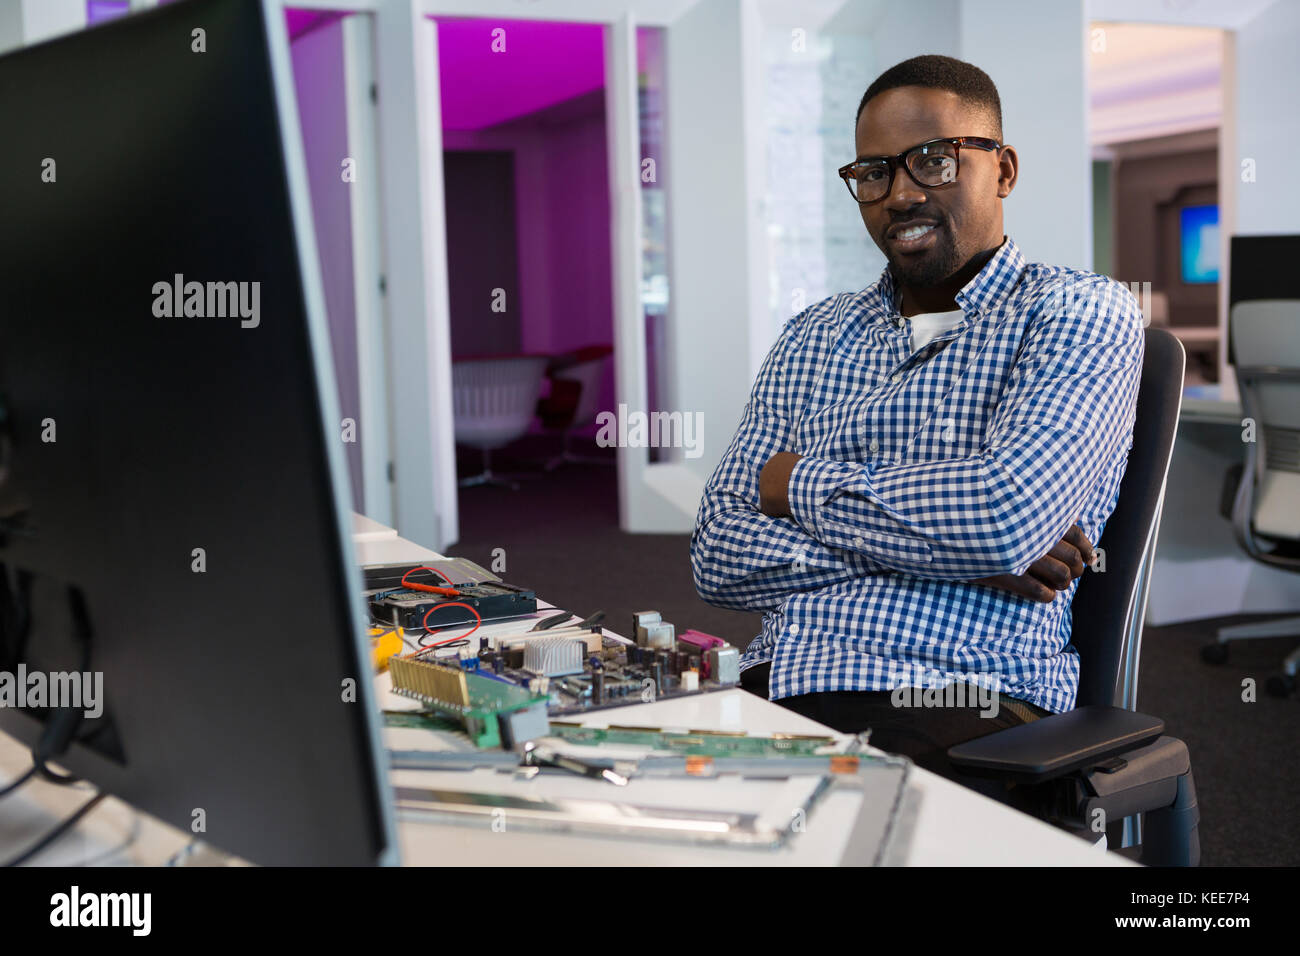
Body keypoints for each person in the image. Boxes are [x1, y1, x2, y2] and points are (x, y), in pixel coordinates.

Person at [689, 55, 1144, 792]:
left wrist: (798, 483)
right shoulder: (813, 333)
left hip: (959, 698)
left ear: (1004, 169)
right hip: (775, 680)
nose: (900, 193)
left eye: (933, 161)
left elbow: (1000, 519)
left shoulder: (1078, 313)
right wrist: (958, 551)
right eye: (874, 172)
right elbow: (718, 552)